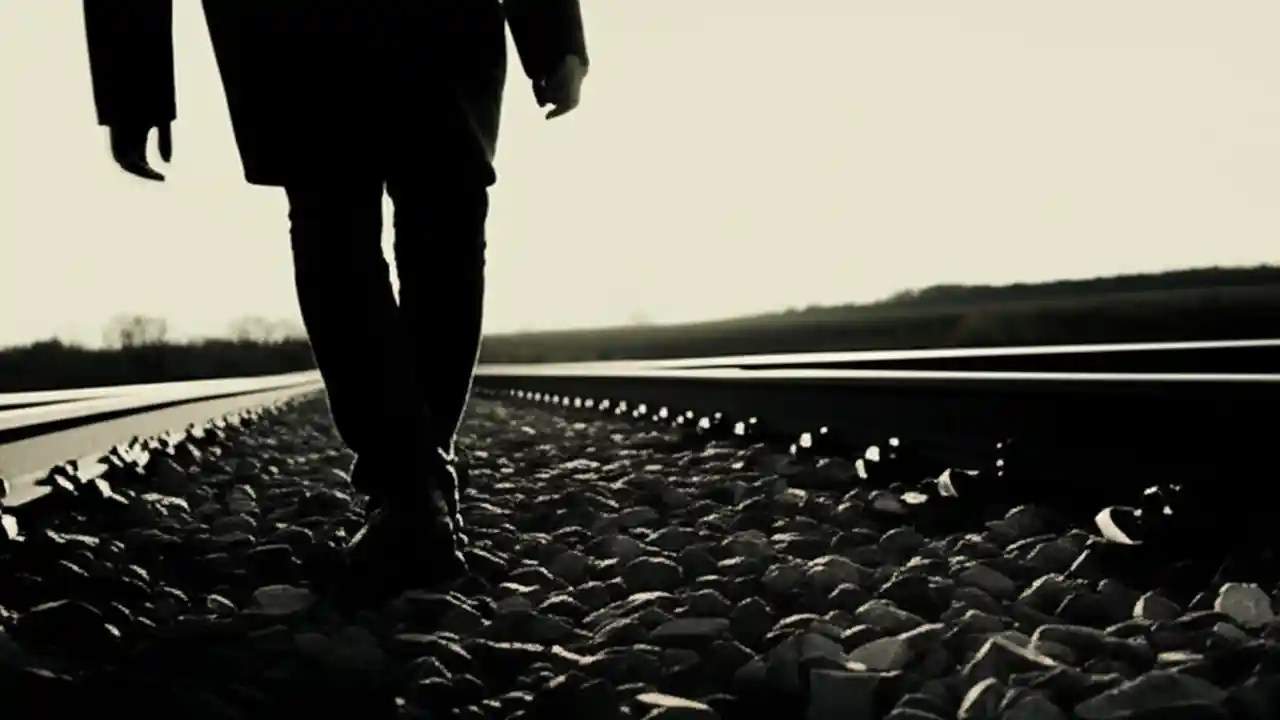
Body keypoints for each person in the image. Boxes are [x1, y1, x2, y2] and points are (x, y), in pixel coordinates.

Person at [82, 0, 589, 607]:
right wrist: (553, 30)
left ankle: (410, 487)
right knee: (428, 215)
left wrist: (132, 87)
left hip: (297, 29)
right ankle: (414, 484)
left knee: (353, 224)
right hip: (377, 26)